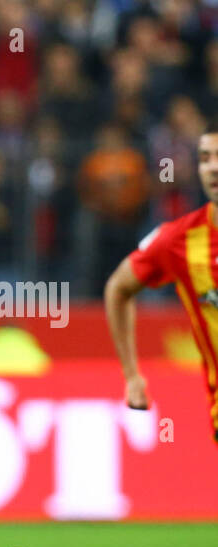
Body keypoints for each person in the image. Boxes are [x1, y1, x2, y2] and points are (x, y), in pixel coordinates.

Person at [105, 129, 218, 443]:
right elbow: (118, 288)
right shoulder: (178, 240)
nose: (213, 167)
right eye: (205, 158)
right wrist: (132, 376)